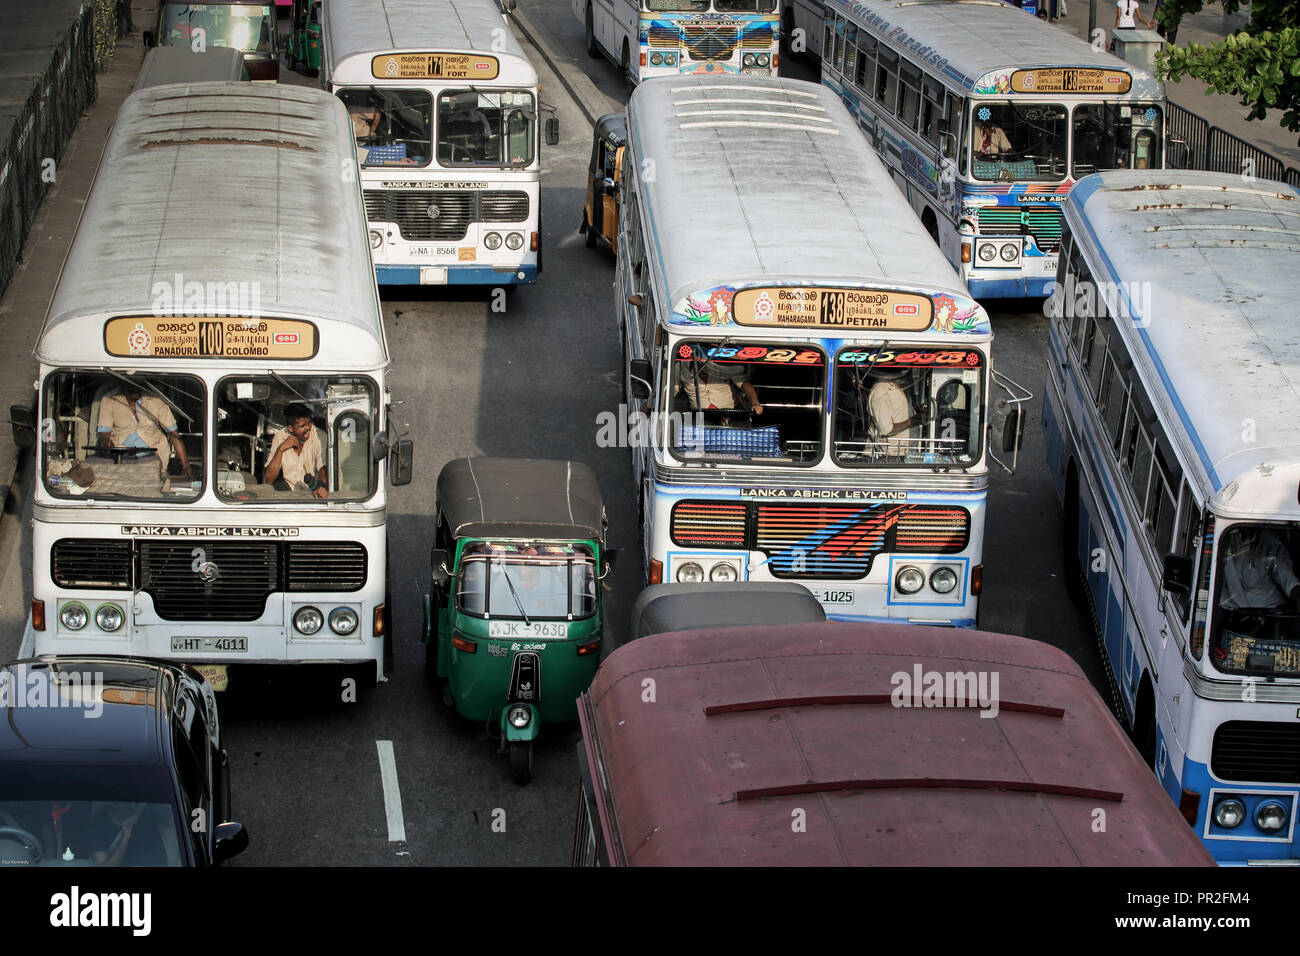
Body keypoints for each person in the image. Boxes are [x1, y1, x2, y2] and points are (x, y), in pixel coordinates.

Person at [97, 384, 193, 473]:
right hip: (122, 460)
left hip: (154, 459)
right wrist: (106, 444)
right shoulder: (109, 399)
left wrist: (185, 466)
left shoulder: (156, 400)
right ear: (122, 383)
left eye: (137, 383)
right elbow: (104, 435)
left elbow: (174, 436)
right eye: (130, 385)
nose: (134, 387)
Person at [1219, 527, 1300, 614]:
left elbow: (1285, 574)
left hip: (1268, 611)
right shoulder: (1225, 534)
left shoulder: (1269, 540)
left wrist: (1297, 595)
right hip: (1233, 613)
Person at [265, 403, 328, 498]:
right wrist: (281, 449)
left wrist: (322, 487)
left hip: (314, 492)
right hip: (290, 492)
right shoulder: (280, 437)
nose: (308, 428)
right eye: (303, 426)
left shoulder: (320, 436)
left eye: (309, 423)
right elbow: (269, 479)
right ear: (290, 428)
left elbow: (323, 468)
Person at [868, 368, 928, 455]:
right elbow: (886, 429)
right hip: (888, 456)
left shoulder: (898, 388)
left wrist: (916, 410)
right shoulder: (881, 391)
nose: (909, 373)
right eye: (907, 370)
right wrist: (914, 421)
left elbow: (898, 413)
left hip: (906, 452)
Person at [674, 359, 763, 415]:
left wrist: (755, 403)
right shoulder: (681, 367)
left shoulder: (725, 364)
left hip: (729, 415)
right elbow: (671, 389)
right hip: (698, 416)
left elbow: (744, 384)